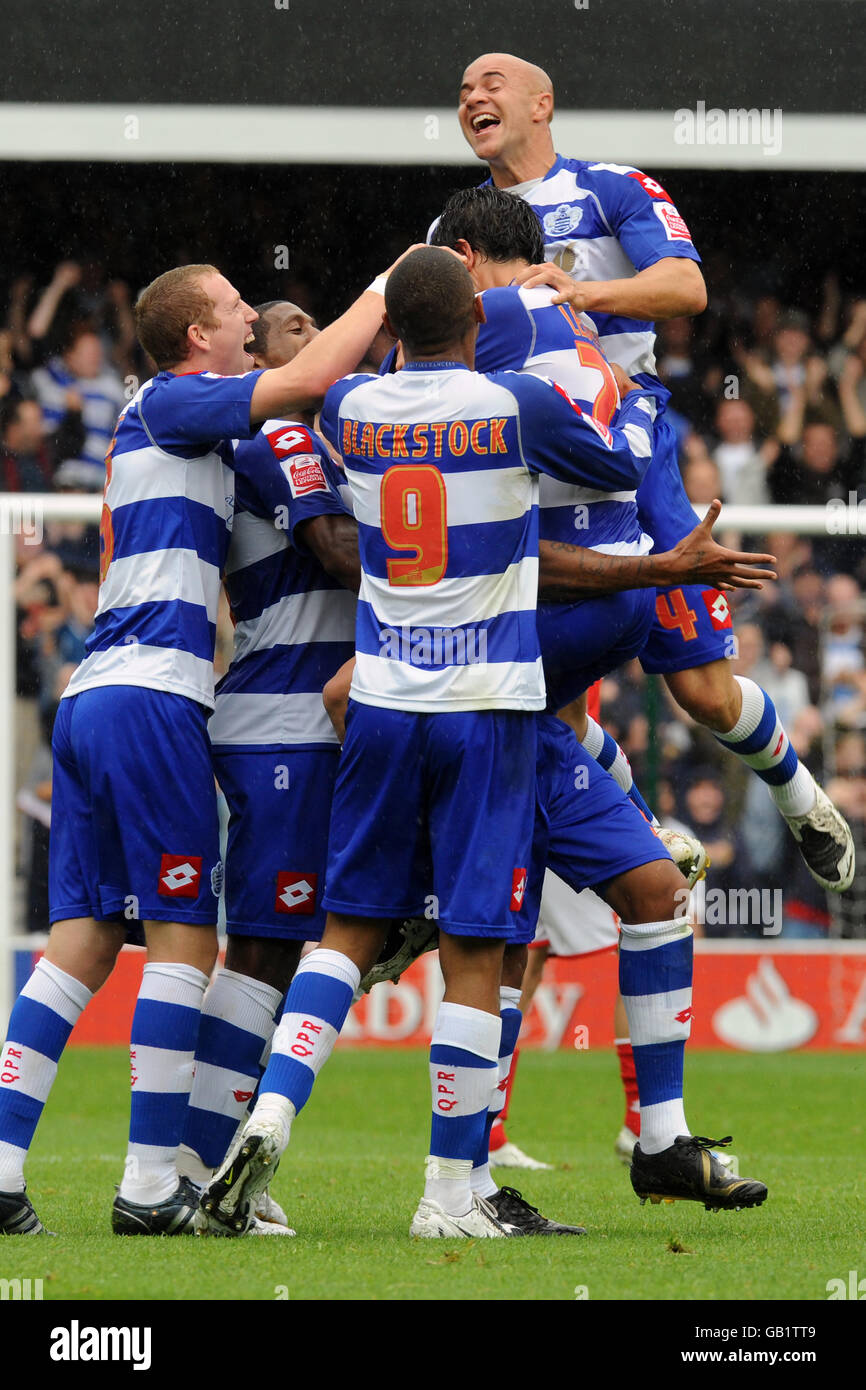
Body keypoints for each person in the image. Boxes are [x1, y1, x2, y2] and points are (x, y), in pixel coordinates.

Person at [201, 249, 767, 1240]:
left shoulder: (350, 412)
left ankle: (273, 1110)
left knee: (342, 935)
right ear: (474, 320)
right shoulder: (515, 403)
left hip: (376, 697)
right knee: (478, 947)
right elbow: (609, 469)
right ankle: (446, 1193)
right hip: (489, 705)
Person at [0, 253, 412, 1237]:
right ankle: (154, 1183)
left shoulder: (198, 426)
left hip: (99, 696)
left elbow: (308, 404)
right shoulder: (177, 398)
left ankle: (6, 1172)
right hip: (154, 698)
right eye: (236, 310)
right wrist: (393, 288)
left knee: (80, 948)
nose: (245, 319)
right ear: (200, 336)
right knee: (187, 943)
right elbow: (307, 390)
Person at [451, 50, 854, 896]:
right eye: (462, 93)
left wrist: (581, 296)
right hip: (523, 460)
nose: (472, 98)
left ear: (542, 102)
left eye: (491, 85)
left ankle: (795, 790)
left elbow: (686, 286)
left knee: (703, 693)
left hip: (628, 445)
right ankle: (641, 839)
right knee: (535, 690)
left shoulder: (609, 188)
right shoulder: (451, 232)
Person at [177, 302, 359, 1221]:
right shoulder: (281, 436)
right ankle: (193, 1165)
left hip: (303, 723)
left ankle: (200, 1162)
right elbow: (336, 553)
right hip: (280, 723)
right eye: (295, 326)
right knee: (260, 949)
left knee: (279, 952)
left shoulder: (320, 444)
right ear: (258, 354)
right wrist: (460, 554)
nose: (314, 330)